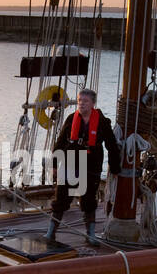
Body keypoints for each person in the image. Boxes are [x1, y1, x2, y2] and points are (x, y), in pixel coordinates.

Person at [45, 89, 122, 246]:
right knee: (61, 199)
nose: (81, 103)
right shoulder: (71, 119)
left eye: (85, 101)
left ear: (93, 103)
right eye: (79, 100)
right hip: (70, 161)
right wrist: (54, 165)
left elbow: (112, 146)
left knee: (88, 201)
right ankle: (50, 232)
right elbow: (60, 143)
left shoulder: (102, 122)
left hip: (91, 164)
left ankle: (91, 234)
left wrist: (114, 169)